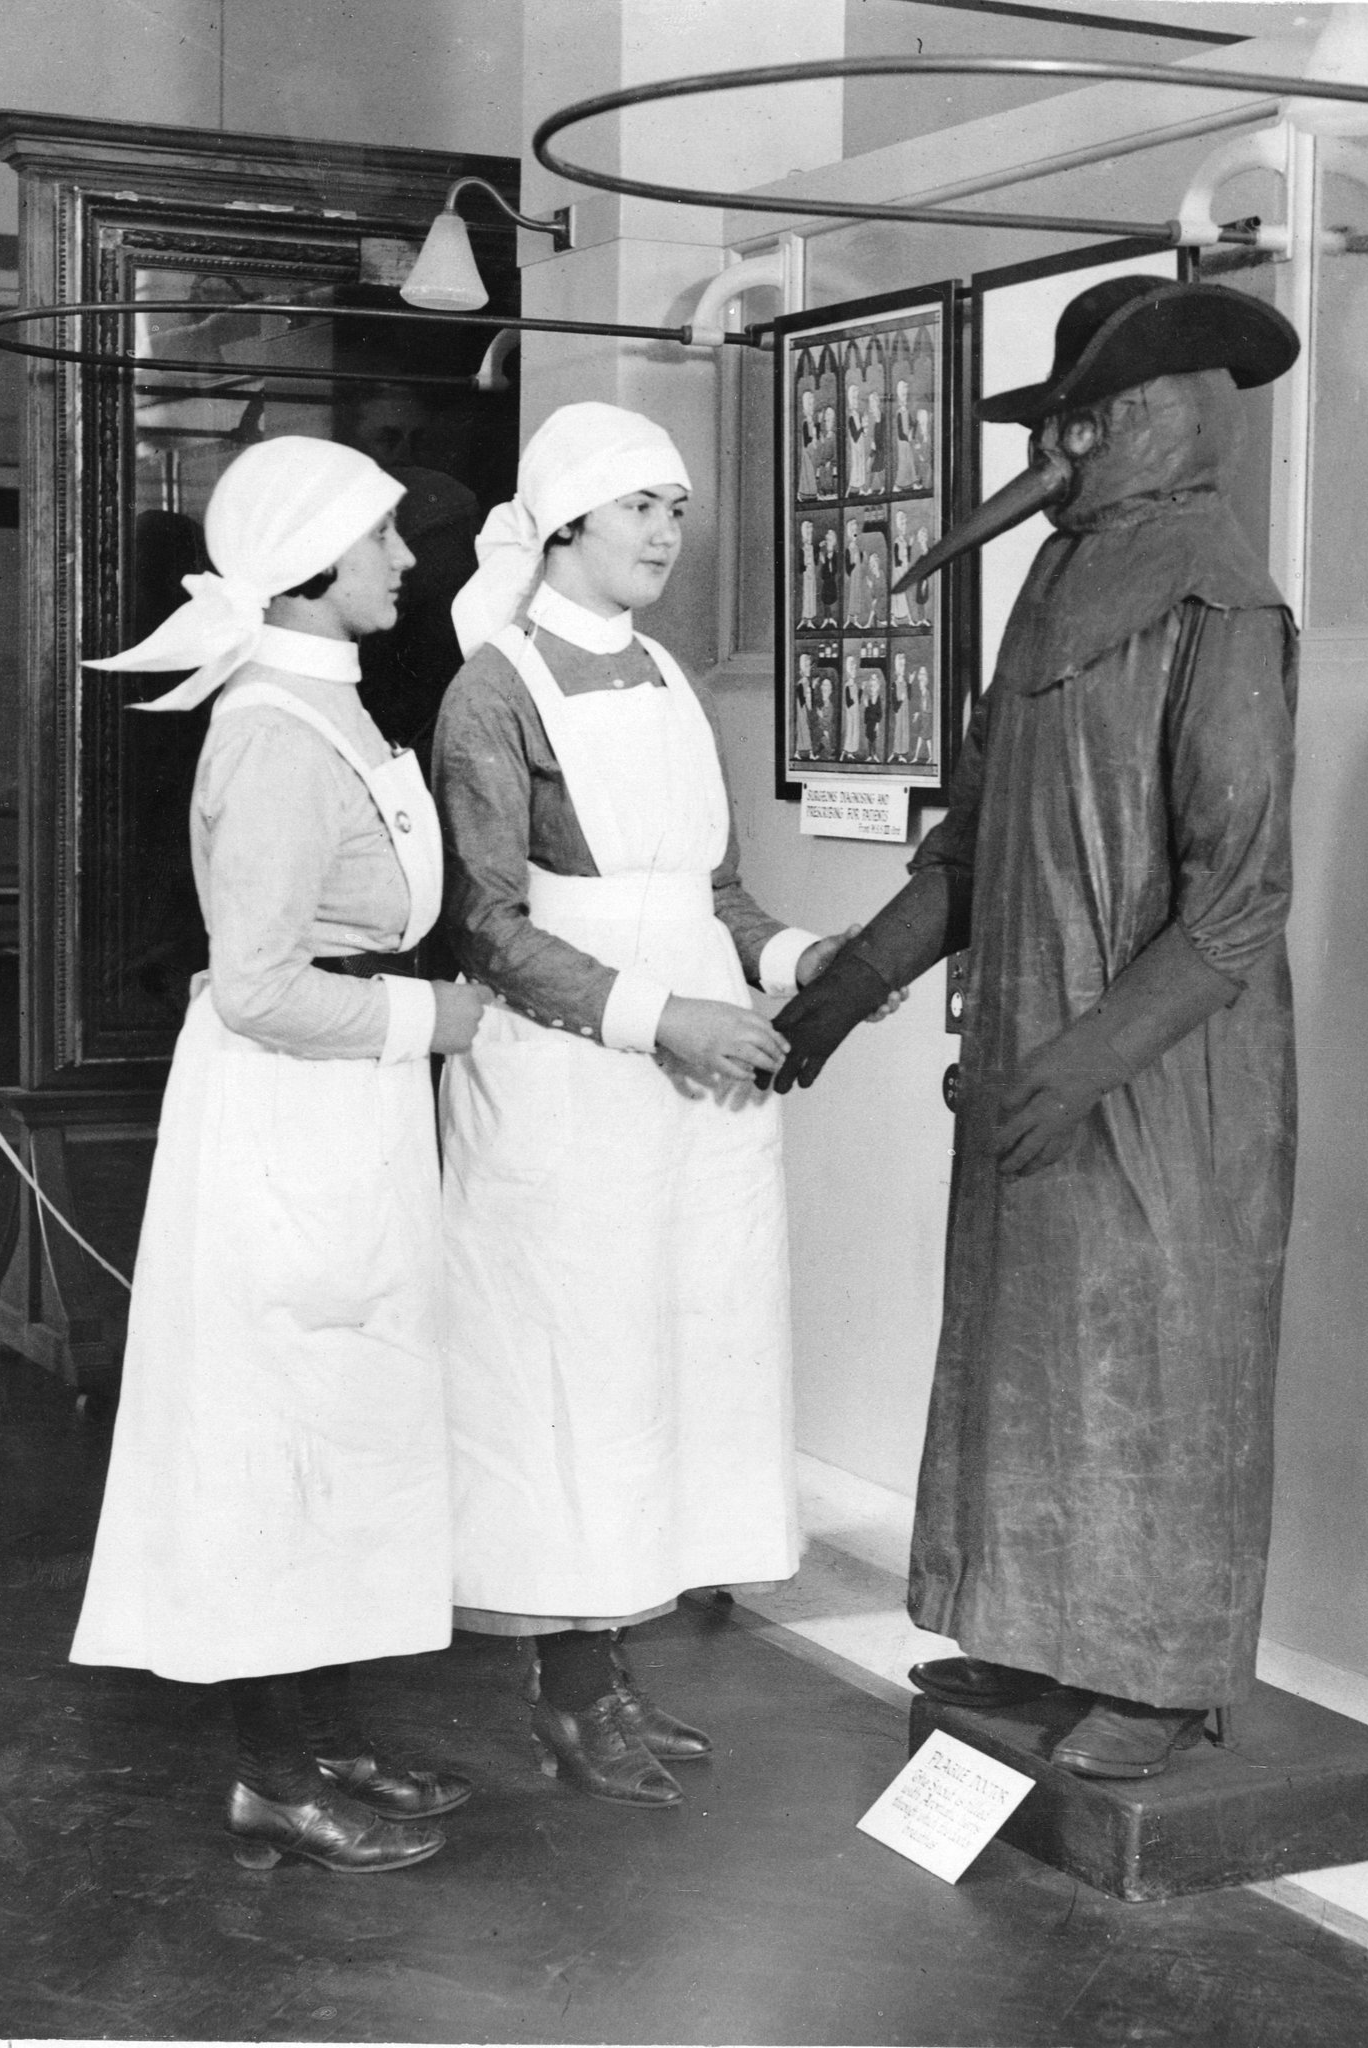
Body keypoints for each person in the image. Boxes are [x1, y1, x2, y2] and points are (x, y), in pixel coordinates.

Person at [768, 277, 1301, 1781]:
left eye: (1081, 422)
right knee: (1031, 1343)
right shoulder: (1058, 585)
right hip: (1039, 1058)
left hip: (1164, 1080)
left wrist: (1078, 1063)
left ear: (1162, 417)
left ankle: (1156, 1671)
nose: (1057, 452)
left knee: (1161, 1348)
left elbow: (1235, 906)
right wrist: (844, 988)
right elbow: (974, 839)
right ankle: (1037, 1633)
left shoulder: (1219, 600)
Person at [433, 402, 892, 1809]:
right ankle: (568, 1691)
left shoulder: (672, 679)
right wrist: (662, 1018)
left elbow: (715, 894)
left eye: (678, 511)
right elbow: (490, 926)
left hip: (693, 1091)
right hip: (572, 1075)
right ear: (563, 517)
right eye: (640, 507)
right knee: (572, 1374)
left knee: (673, 1362)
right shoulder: (490, 691)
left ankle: (614, 1673)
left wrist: (802, 961)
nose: (665, 535)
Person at [69, 436, 486, 1872]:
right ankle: (269, 1771)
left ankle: (320, 1736)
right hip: (285, 1110)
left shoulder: (336, 715)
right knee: (277, 1431)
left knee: (345, 1422)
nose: (406, 562)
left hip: (344, 1104)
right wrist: (434, 1014)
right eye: (382, 541)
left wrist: (409, 1022)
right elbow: (254, 985)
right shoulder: (268, 732)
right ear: (311, 567)